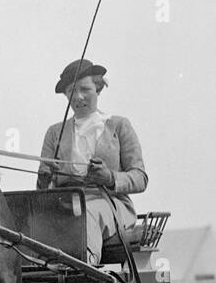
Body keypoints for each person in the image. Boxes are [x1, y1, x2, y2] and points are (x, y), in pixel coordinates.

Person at [36, 59, 148, 265]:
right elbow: (42, 189)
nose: (78, 97)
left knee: (86, 214)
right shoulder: (54, 133)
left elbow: (140, 178)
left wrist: (111, 177)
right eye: (71, 91)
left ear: (98, 87)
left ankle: (85, 266)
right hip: (65, 204)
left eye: (85, 89)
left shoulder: (119, 126)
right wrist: (45, 178)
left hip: (109, 202)